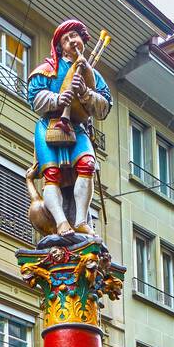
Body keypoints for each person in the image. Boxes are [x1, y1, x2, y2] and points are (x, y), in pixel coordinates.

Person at [27, 19, 112, 237]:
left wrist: (85, 93)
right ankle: (61, 222)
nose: (72, 41)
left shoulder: (91, 73)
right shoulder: (48, 69)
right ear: (59, 46)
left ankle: (81, 221)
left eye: (75, 36)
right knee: (51, 173)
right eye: (66, 39)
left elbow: (104, 107)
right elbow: (34, 97)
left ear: (82, 39)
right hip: (50, 125)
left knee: (87, 164)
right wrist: (57, 99)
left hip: (78, 126)